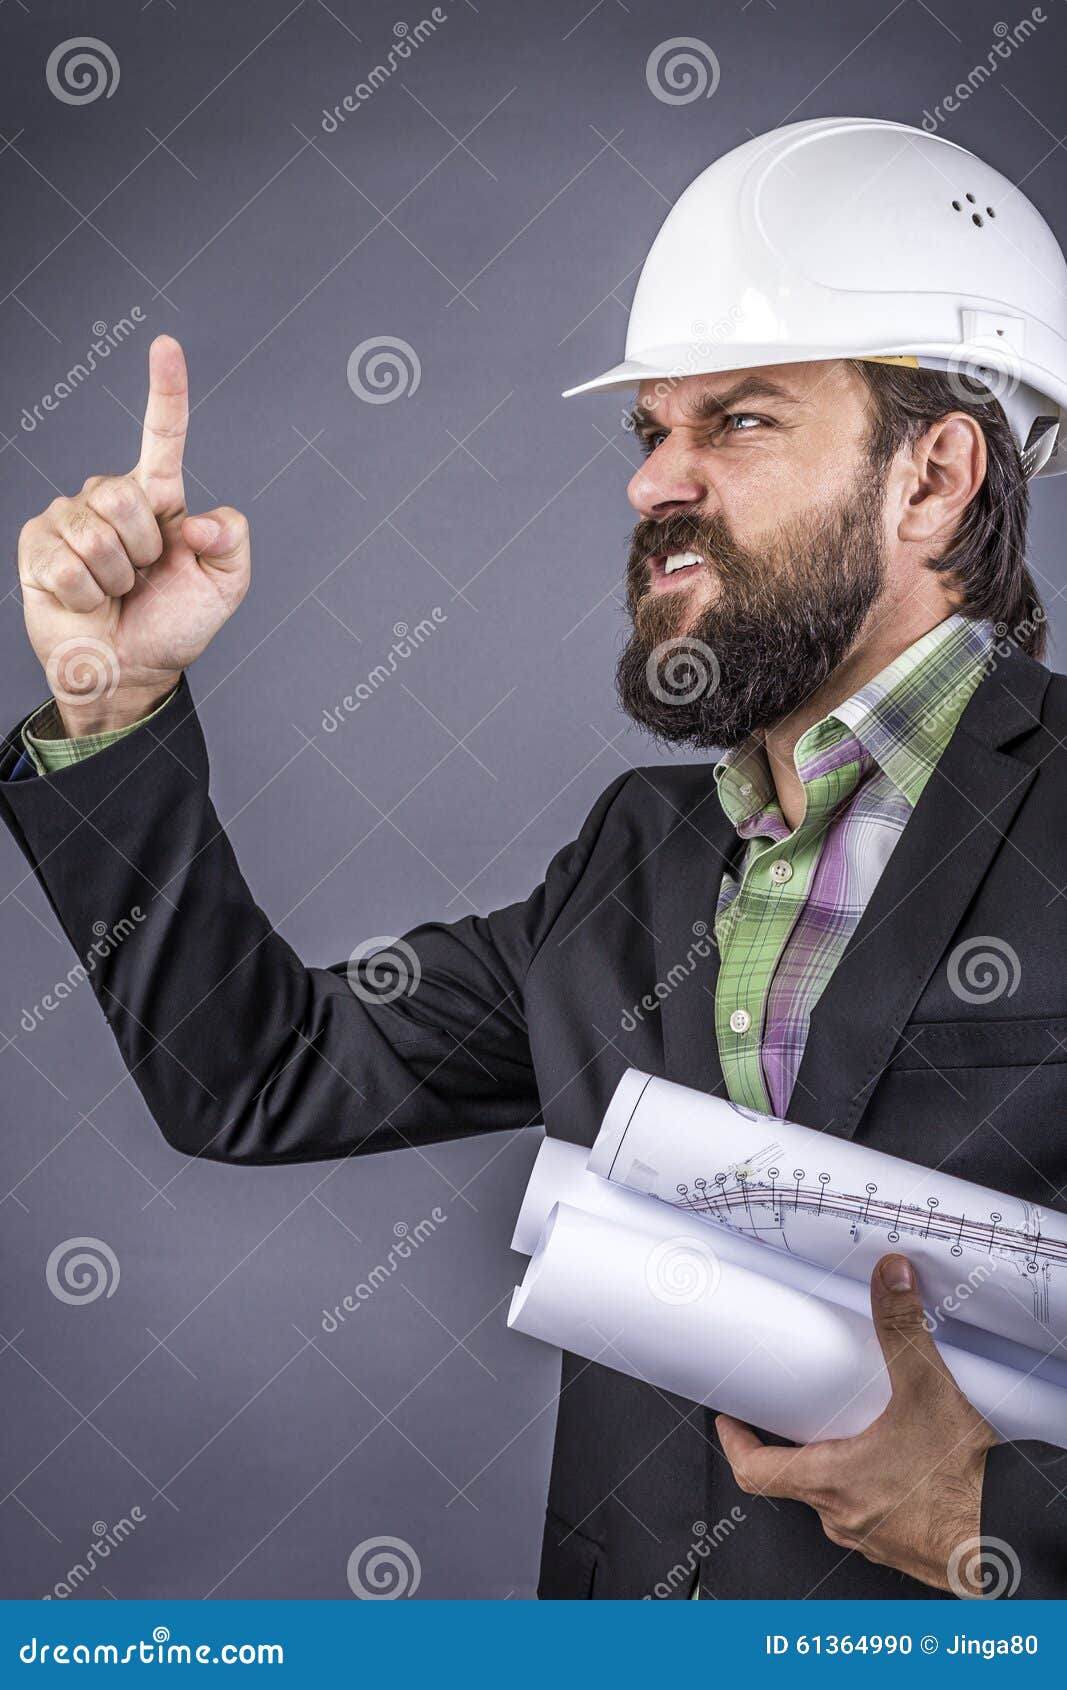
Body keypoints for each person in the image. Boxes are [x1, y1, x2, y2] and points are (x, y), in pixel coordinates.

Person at [3, 117, 1067, 1600]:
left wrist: (1006, 1516)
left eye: (739, 422)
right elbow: (251, 1072)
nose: (653, 483)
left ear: (935, 475)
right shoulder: (638, 857)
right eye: (651, 431)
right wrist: (114, 709)